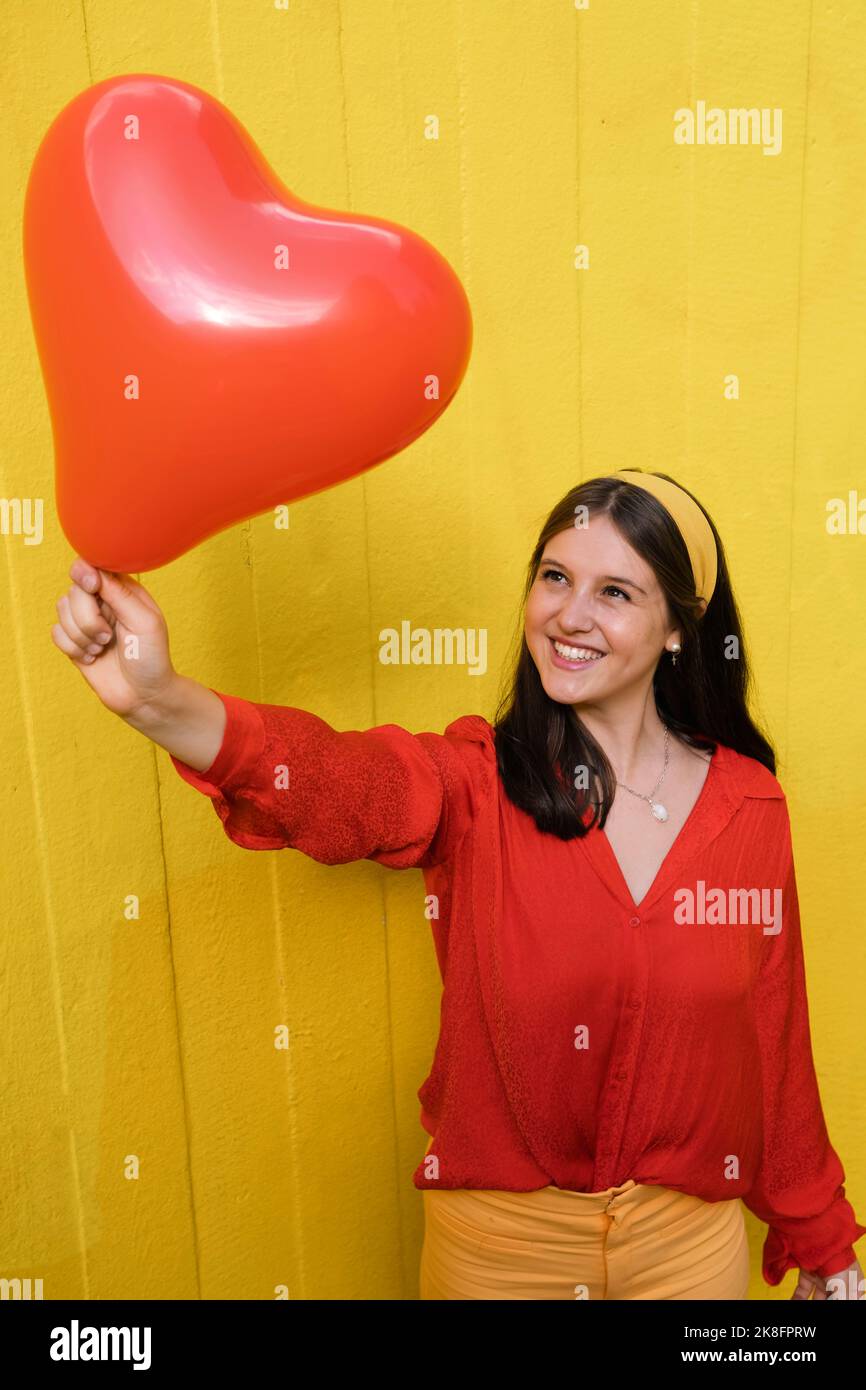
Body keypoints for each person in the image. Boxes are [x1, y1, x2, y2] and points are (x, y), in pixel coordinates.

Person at [51, 469, 865, 1301]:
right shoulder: (477, 781)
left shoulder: (750, 808)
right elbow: (339, 781)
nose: (569, 615)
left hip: (691, 1253)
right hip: (502, 1255)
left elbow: (771, 1034)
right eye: (554, 577)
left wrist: (821, 1234)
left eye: (615, 591)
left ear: (678, 631)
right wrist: (160, 702)